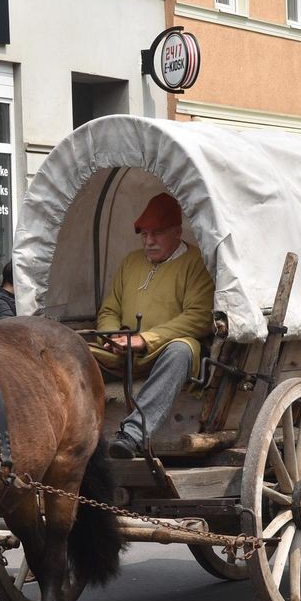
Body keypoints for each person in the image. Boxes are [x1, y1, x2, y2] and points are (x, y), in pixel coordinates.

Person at [91, 193, 215, 459]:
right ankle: (74, 435)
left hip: (165, 352)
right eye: (144, 234)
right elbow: (109, 309)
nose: (148, 242)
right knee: (77, 353)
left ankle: (133, 434)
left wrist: (147, 339)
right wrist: (111, 337)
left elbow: (200, 316)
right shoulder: (131, 262)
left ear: (177, 232)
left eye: (156, 234)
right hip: (123, 353)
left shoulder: (196, 262)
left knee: (182, 349)